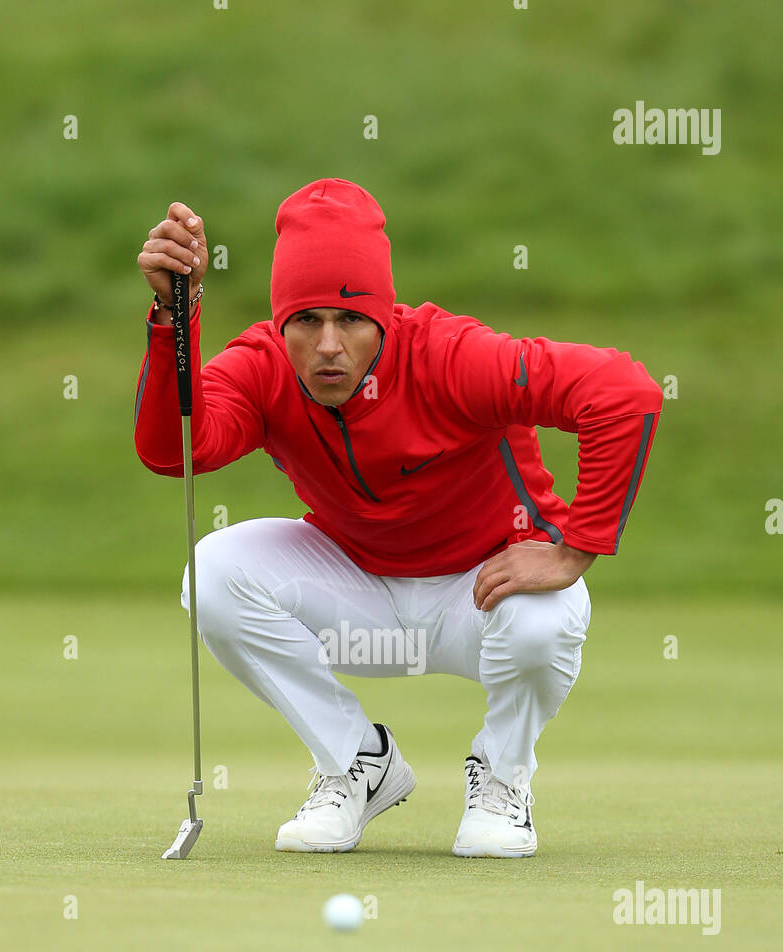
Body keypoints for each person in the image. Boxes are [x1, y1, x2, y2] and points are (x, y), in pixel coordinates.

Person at [134, 179, 662, 857]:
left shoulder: (451, 356)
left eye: (350, 320)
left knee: (548, 614)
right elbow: (175, 451)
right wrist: (174, 318)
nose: (328, 345)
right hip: (356, 592)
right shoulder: (264, 366)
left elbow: (621, 393)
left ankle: (502, 781)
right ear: (280, 323)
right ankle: (356, 761)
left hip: (481, 592)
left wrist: (576, 547)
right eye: (306, 320)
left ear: (382, 318)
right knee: (211, 572)